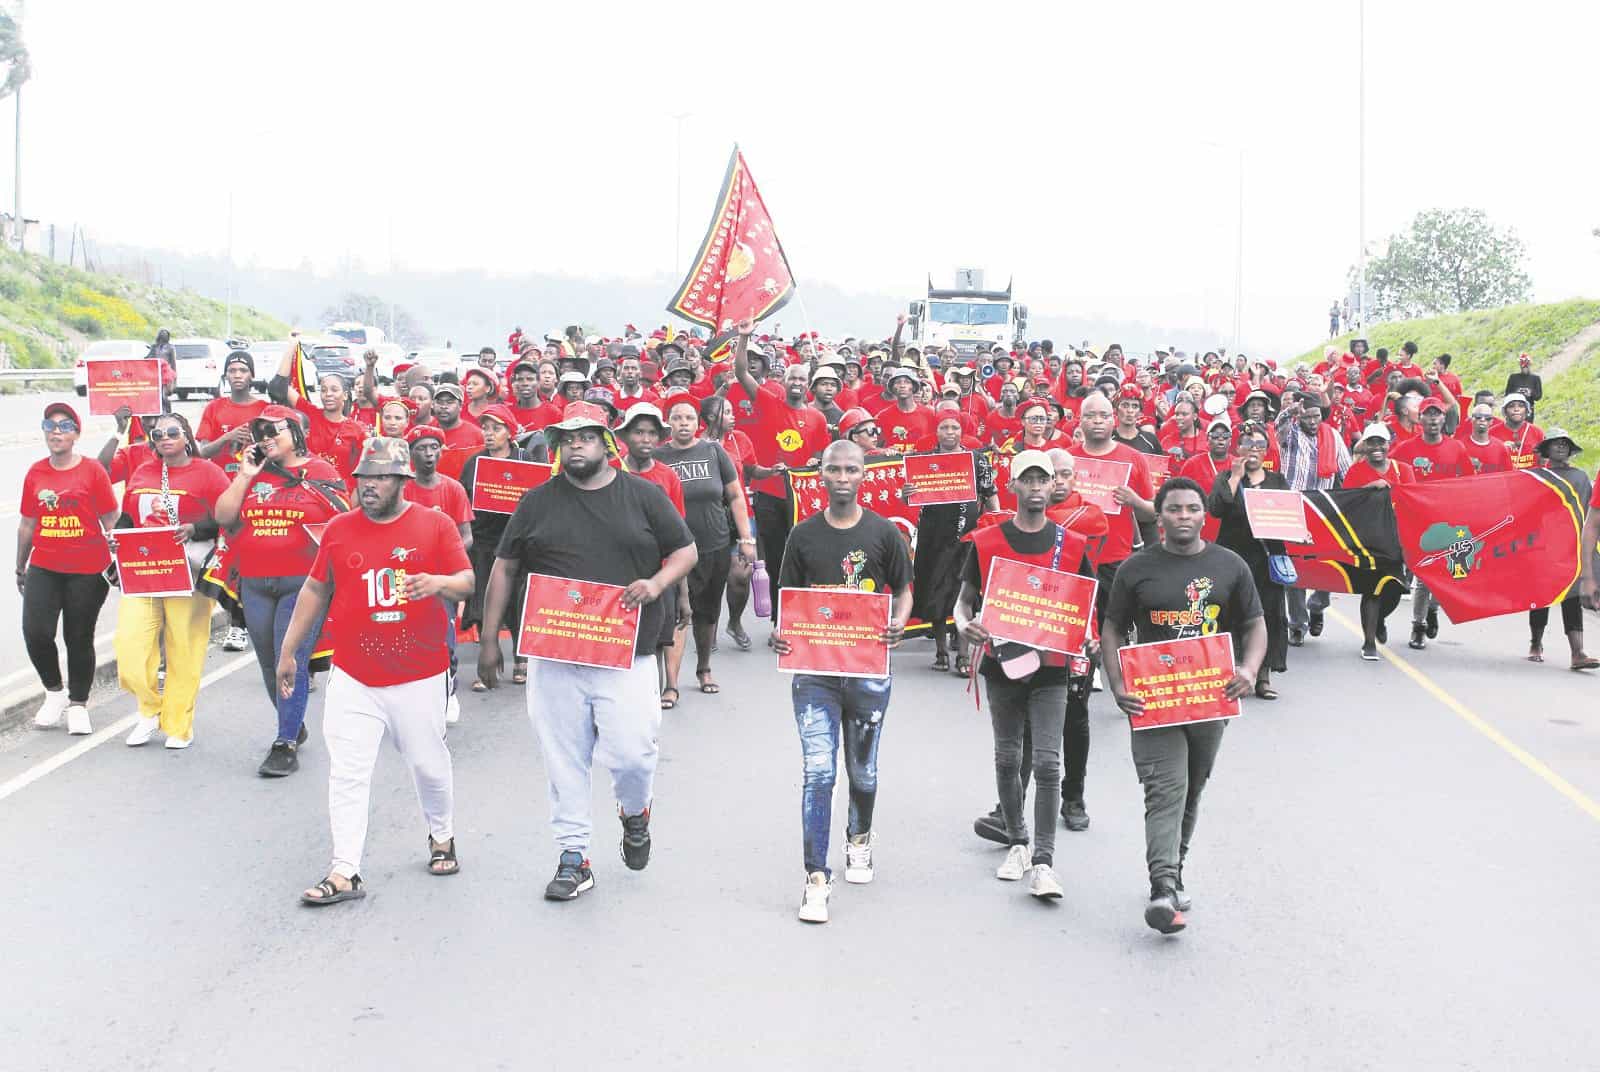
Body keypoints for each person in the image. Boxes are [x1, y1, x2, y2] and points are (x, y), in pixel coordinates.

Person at [477, 401, 697, 902]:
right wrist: (491, 640)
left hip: (628, 652)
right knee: (563, 757)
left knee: (634, 753)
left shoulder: (642, 496)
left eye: (587, 436)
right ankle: (574, 856)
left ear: (606, 443)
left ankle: (634, 811)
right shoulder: (536, 501)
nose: (576, 444)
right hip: (554, 652)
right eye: (567, 437)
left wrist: (657, 581)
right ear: (557, 447)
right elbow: (505, 568)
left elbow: (686, 550)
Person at [275, 437, 474, 906]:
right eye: (364, 477)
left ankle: (441, 834)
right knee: (347, 770)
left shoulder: (435, 525)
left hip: (419, 673)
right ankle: (345, 870)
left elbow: (467, 580)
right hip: (354, 675)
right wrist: (290, 652)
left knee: (427, 764)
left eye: (381, 477)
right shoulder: (341, 529)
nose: (369, 486)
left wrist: (439, 582)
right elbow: (314, 590)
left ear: (402, 482)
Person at [1101, 477, 1267, 935]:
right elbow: (1112, 628)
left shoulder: (1229, 565)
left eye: (1192, 508)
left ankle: (1177, 867)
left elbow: (1255, 625)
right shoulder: (1137, 568)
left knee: (1193, 788)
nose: (1184, 516)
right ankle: (1162, 886)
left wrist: (1249, 671)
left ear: (1202, 514)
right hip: (1153, 701)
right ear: (1160, 515)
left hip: (1209, 700)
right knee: (1165, 789)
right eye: (1174, 509)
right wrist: (1117, 684)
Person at [773, 440, 912, 924]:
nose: (842, 477)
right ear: (821, 475)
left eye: (851, 469)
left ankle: (859, 838)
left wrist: (898, 622)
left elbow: (905, 591)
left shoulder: (884, 533)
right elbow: (789, 599)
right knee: (819, 772)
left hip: (868, 671)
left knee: (863, 771)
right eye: (833, 469)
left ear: (864, 475)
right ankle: (815, 878)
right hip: (814, 673)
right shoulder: (802, 535)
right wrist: (781, 634)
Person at [955, 450, 1092, 900]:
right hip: (1002, 662)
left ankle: (1044, 861)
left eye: (1043, 479)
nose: (1035, 487)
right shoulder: (987, 541)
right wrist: (965, 626)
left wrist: (1088, 636)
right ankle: (1016, 840)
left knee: (1049, 762)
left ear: (1055, 485)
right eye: (1026, 479)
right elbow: (963, 602)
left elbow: (1086, 606)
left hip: (1052, 667)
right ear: (1012, 486)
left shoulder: (1071, 545)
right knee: (1008, 757)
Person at [215, 405, 350, 777]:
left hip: (303, 586)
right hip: (256, 584)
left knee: (290, 661)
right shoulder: (255, 473)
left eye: (275, 431)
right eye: (261, 433)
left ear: (295, 431)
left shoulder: (321, 472)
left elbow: (342, 520)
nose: (267, 439)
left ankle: (284, 743)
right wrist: (244, 475)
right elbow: (224, 516)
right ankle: (292, 722)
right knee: (267, 663)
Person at [114, 412, 230, 748]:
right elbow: (127, 518)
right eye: (158, 433)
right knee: (130, 648)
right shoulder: (142, 472)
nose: (165, 437)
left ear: (187, 436)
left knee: (184, 648)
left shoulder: (208, 473)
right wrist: (117, 538)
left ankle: (178, 725)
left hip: (189, 573)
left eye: (173, 432)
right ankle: (150, 710)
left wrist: (196, 529)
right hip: (145, 571)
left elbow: (228, 517)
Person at [19, 402, 118, 736]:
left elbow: (111, 521)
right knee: (36, 633)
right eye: (50, 426)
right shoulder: (36, 472)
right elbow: (27, 524)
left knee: (78, 636)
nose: (56, 432)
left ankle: (78, 704)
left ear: (76, 434)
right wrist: (21, 567)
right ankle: (55, 692)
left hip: (88, 568)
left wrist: (120, 556)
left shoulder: (92, 471)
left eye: (64, 426)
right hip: (45, 565)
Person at [656, 393, 754, 698]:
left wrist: (746, 539)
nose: (683, 423)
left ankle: (703, 668)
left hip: (714, 544)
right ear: (668, 422)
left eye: (689, 418)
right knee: (676, 613)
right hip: (672, 551)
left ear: (699, 423)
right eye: (676, 417)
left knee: (707, 614)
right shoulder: (659, 456)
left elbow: (736, 496)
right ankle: (670, 683)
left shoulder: (714, 452)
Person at [731, 320, 830, 614]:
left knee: (802, 554)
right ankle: (778, 615)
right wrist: (743, 338)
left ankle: (799, 613)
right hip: (769, 494)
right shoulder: (769, 402)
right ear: (783, 382)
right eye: (792, 379)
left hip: (801, 498)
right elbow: (741, 373)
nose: (797, 383)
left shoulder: (817, 419)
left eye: (802, 379)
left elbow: (823, 450)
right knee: (774, 556)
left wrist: (818, 459)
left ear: (808, 384)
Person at [908, 409, 997, 673]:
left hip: (968, 536)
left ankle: (964, 655)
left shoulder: (977, 460)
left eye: (955, 428)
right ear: (936, 432)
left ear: (962, 431)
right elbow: (909, 500)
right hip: (934, 537)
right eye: (944, 427)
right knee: (935, 591)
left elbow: (990, 495)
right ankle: (940, 651)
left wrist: (995, 524)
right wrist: (906, 494)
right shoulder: (923, 461)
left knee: (964, 591)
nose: (950, 433)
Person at [1205, 422, 1289, 699]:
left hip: (1267, 559)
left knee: (1268, 614)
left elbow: (1289, 516)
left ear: (1267, 452)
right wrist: (1236, 476)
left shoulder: (1277, 480)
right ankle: (1234, 673)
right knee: (1231, 613)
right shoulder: (1226, 476)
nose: (1253, 450)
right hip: (1232, 558)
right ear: (1237, 449)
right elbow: (1217, 508)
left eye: (1259, 446)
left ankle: (1263, 675)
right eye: (1248, 445)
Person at [617, 404, 690, 708]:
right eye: (638, 432)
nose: (645, 439)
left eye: (650, 433)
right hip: (619, 569)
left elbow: (680, 539)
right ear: (626, 436)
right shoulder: (612, 470)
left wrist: (684, 594)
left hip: (660, 573)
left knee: (659, 637)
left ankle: (665, 688)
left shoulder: (667, 477)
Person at [403, 424, 474, 724]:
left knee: (444, 639)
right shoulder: (402, 486)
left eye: (434, 448)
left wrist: (445, 553)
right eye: (421, 448)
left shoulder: (452, 489)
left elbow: (467, 535)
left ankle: (449, 689)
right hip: (403, 577)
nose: (429, 455)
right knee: (403, 637)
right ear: (410, 454)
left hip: (441, 579)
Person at [457, 403, 531, 690]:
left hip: (518, 541)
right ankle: (487, 663)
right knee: (483, 601)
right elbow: (463, 500)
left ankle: (520, 657)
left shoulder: (525, 459)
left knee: (519, 600)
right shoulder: (474, 463)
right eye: (485, 428)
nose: (489, 434)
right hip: (484, 542)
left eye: (496, 429)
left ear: (509, 433)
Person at [1390, 398, 1470, 651]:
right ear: (1420, 420)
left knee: (1446, 572)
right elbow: (1386, 467)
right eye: (1428, 415)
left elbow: (1471, 482)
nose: (1433, 419)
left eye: (1437, 415)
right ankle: (1418, 625)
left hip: (1449, 520)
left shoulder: (1456, 448)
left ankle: (1433, 609)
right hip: (1418, 521)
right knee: (1424, 575)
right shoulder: (1405, 448)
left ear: (1444, 419)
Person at [1274, 391, 1351, 645]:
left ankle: (1318, 604)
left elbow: (1347, 472)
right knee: (1293, 568)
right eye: (1306, 416)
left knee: (1327, 563)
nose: (1312, 421)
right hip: (1292, 508)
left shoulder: (1333, 436)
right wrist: (1290, 413)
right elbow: (1278, 429)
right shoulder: (1291, 433)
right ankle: (1297, 624)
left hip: (1322, 510)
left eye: (1316, 415)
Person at [1526, 431, 1597, 669]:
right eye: (1556, 443)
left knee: (1572, 596)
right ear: (1546, 449)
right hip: (1542, 544)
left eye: (1565, 444)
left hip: (1570, 545)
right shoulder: (1536, 477)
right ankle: (1536, 642)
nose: (1560, 447)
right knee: (1540, 596)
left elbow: (1588, 510)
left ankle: (1577, 652)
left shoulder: (1579, 477)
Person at [1341, 426, 1413, 660]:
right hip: (1368, 539)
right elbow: (1345, 503)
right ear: (1365, 445)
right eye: (1371, 442)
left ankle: (1379, 618)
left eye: (1380, 442)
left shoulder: (1404, 470)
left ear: (1389, 443)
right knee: (1371, 590)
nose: (1376, 448)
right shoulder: (1356, 471)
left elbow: (1414, 501)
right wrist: (1369, 488)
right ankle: (1369, 642)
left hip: (1397, 539)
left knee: (1395, 589)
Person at [271, 343, 368, 483]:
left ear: (345, 395)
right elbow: (278, 386)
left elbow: (360, 473)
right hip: (309, 487)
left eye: (334, 390)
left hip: (341, 493)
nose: (328, 394)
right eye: (323, 390)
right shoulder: (310, 414)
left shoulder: (357, 430)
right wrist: (291, 346)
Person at [1489, 392, 1544, 470]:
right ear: (1504, 412)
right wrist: (1501, 448)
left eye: (1521, 406)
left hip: (1530, 479)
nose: (1516, 409)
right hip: (1504, 479)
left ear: (1527, 411)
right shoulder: (1492, 433)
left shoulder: (1537, 432)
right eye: (1511, 406)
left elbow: (1544, 462)